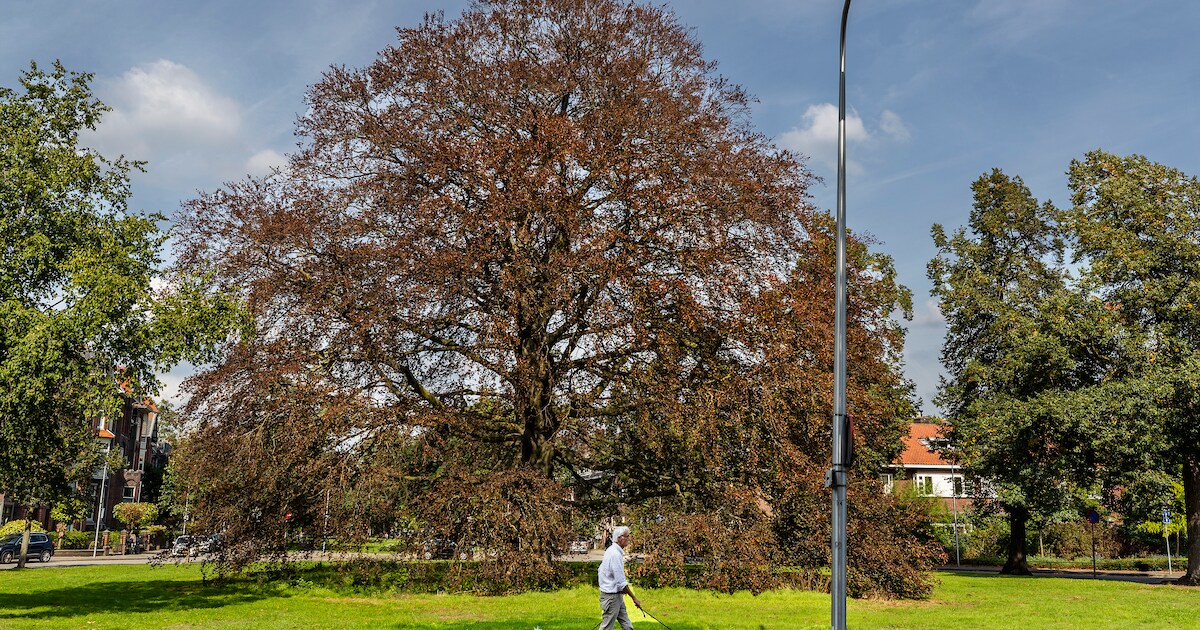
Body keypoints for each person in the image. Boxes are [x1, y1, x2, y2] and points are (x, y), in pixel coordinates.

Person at [597, 525, 641, 630]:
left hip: (616, 595)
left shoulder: (612, 550)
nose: (629, 539)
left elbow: (601, 571)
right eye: (627, 536)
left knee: (627, 624)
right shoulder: (615, 554)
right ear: (619, 538)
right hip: (611, 597)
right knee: (607, 627)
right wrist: (634, 598)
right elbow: (621, 582)